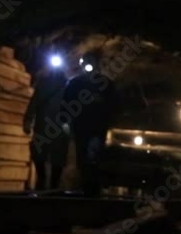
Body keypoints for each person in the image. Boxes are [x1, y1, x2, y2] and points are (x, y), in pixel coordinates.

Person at [64, 54, 115, 196]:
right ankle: (85, 186)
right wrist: (65, 120)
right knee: (82, 156)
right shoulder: (75, 83)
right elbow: (66, 102)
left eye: (92, 62)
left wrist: (107, 119)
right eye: (87, 62)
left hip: (97, 127)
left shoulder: (105, 84)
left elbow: (113, 105)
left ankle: (93, 187)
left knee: (95, 156)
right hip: (81, 126)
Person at [24, 63, 71, 190]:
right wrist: (27, 120)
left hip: (57, 126)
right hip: (47, 124)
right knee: (39, 154)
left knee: (57, 157)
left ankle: (52, 186)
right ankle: (43, 180)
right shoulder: (44, 84)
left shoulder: (69, 86)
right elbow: (34, 102)